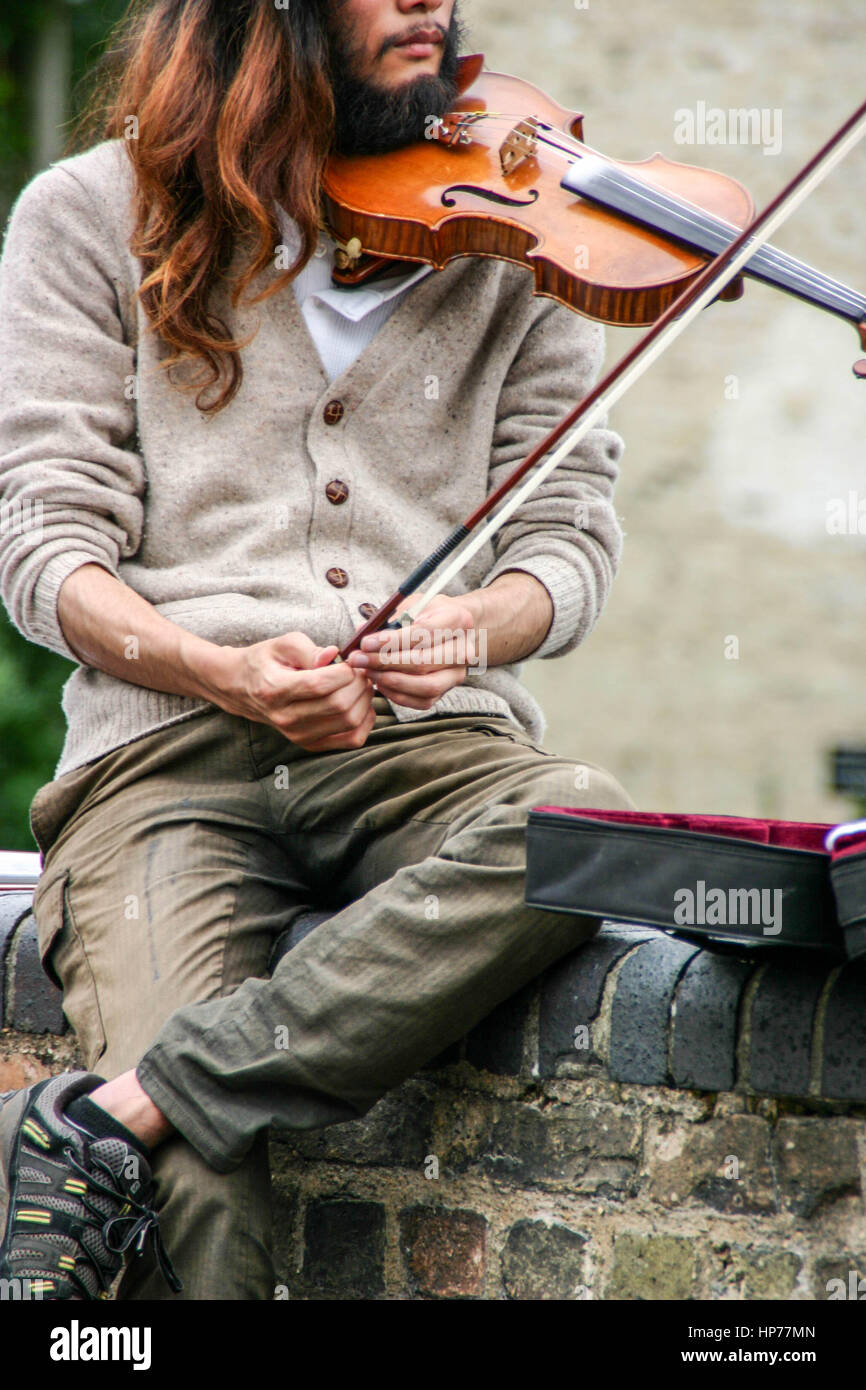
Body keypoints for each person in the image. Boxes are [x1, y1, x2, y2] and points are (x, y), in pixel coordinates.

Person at [0, 0, 632, 1301]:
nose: (429, 4)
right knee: (191, 1188)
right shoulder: (83, 216)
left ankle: (140, 1097)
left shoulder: (528, 229)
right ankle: (155, 1127)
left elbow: (564, 547)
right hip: (164, 760)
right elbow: (46, 548)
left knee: (585, 829)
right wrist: (216, 666)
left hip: (425, 750)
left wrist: (472, 625)